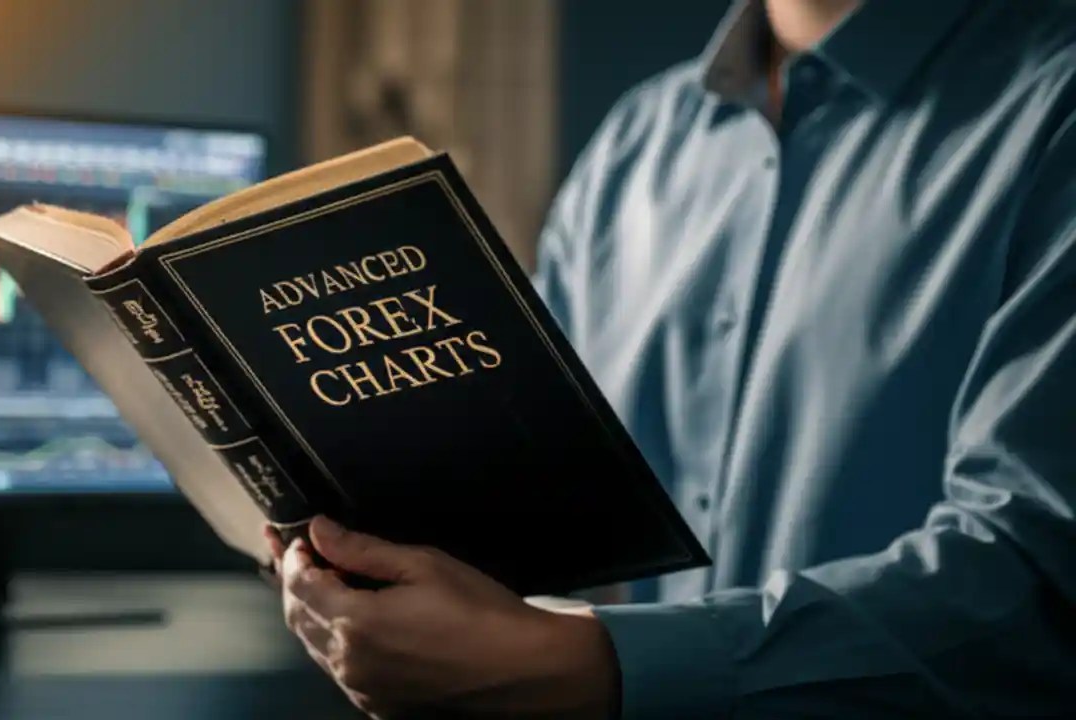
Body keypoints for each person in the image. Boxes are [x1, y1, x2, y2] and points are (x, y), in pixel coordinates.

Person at [265, 0, 1076, 717]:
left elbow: (1036, 585)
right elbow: (546, 492)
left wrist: (589, 669)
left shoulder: (1056, 106)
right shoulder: (635, 144)